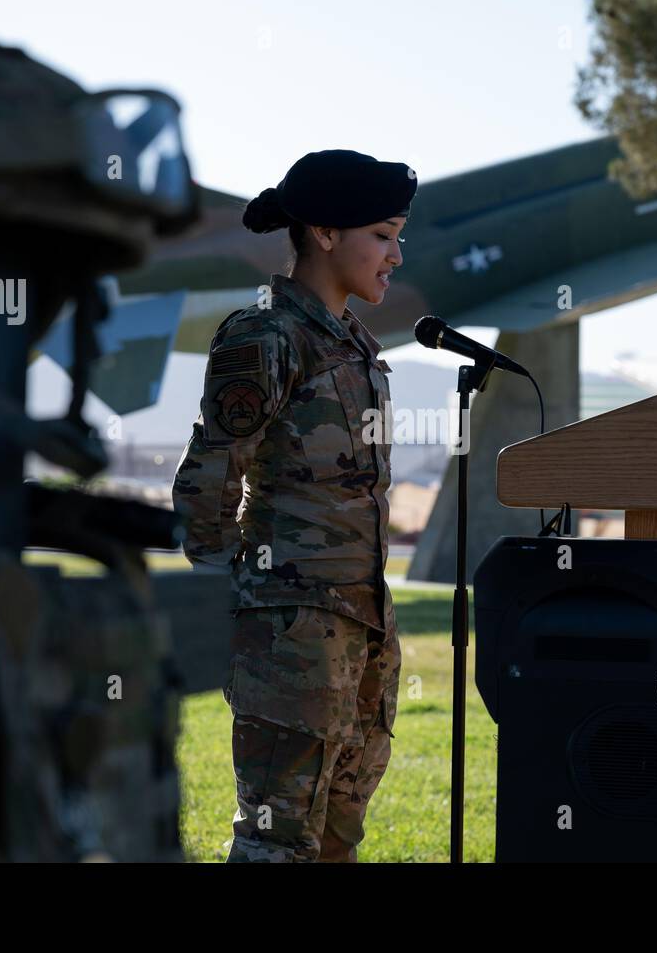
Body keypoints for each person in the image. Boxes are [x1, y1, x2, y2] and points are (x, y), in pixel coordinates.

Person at [173, 149, 416, 862]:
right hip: (291, 635)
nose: (396, 254)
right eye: (383, 233)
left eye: (400, 235)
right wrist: (232, 603)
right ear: (325, 233)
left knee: (339, 833)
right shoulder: (266, 335)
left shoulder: (356, 344)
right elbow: (210, 477)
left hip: (362, 622)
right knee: (278, 841)